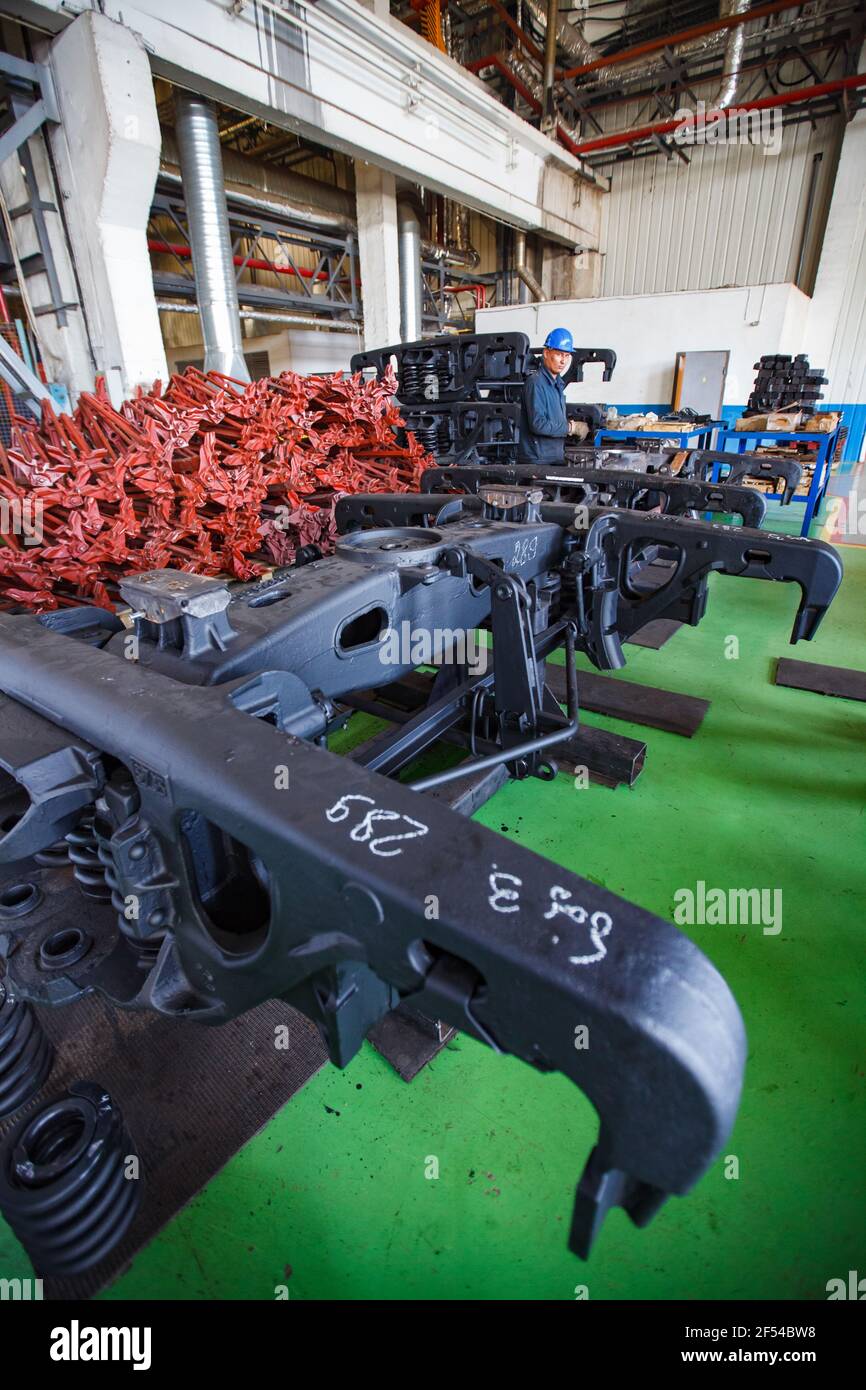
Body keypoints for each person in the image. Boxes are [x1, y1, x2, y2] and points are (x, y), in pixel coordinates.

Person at [518, 327, 586, 464]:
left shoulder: (557, 384)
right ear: (546, 353)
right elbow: (538, 424)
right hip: (538, 460)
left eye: (567, 356)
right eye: (559, 354)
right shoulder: (536, 382)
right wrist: (571, 428)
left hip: (554, 457)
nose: (563, 361)